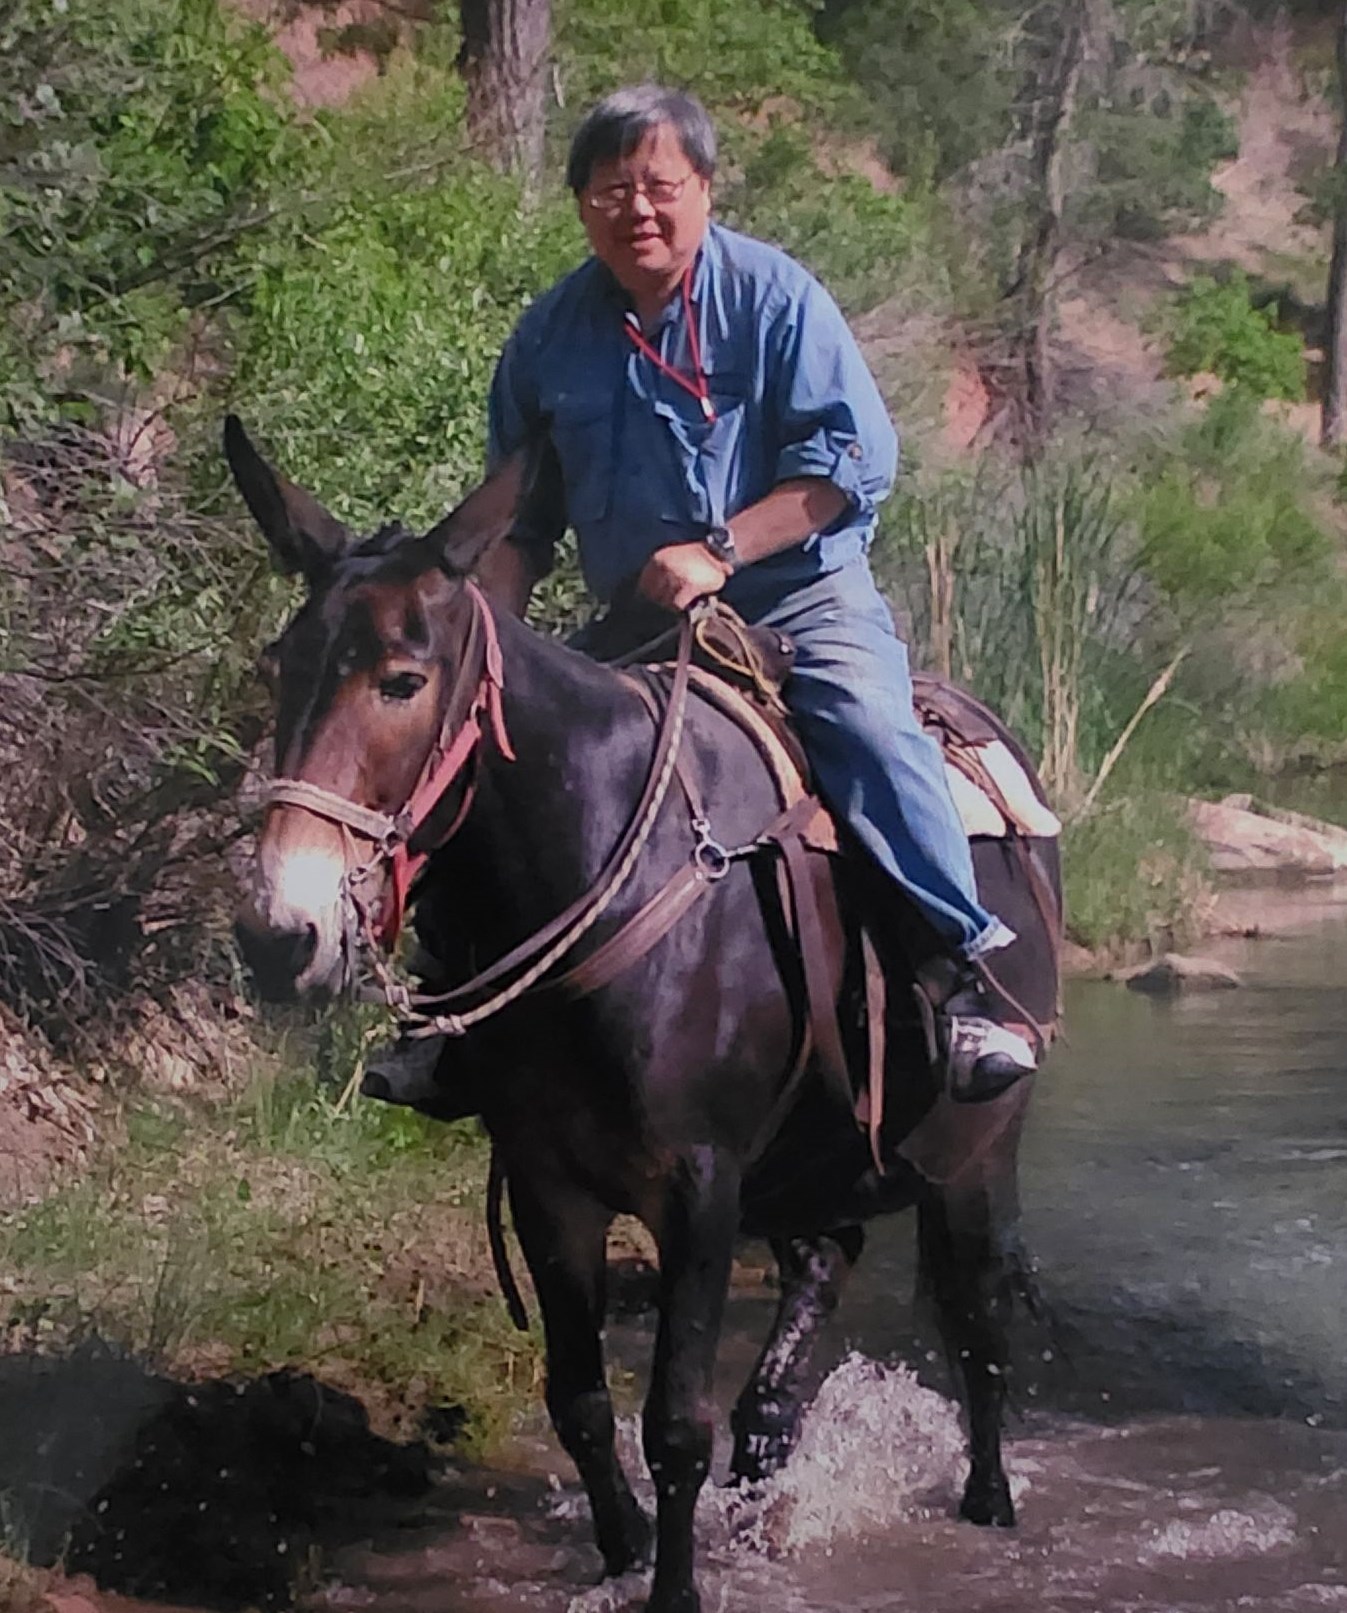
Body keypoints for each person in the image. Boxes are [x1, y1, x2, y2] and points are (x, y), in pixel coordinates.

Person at [370, 83, 1038, 1108]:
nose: (636, 209)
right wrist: (485, 627)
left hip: (798, 599)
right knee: (495, 750)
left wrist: (721, 549)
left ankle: (961, 976)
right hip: (637, 621)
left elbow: (848, 467)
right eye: (609, 190)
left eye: (658, 186)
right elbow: (521, 516)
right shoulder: (548, 338)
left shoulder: (776, 301)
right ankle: (453, 1014)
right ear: (580, 203)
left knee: (866, 726)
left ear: (705, 189)